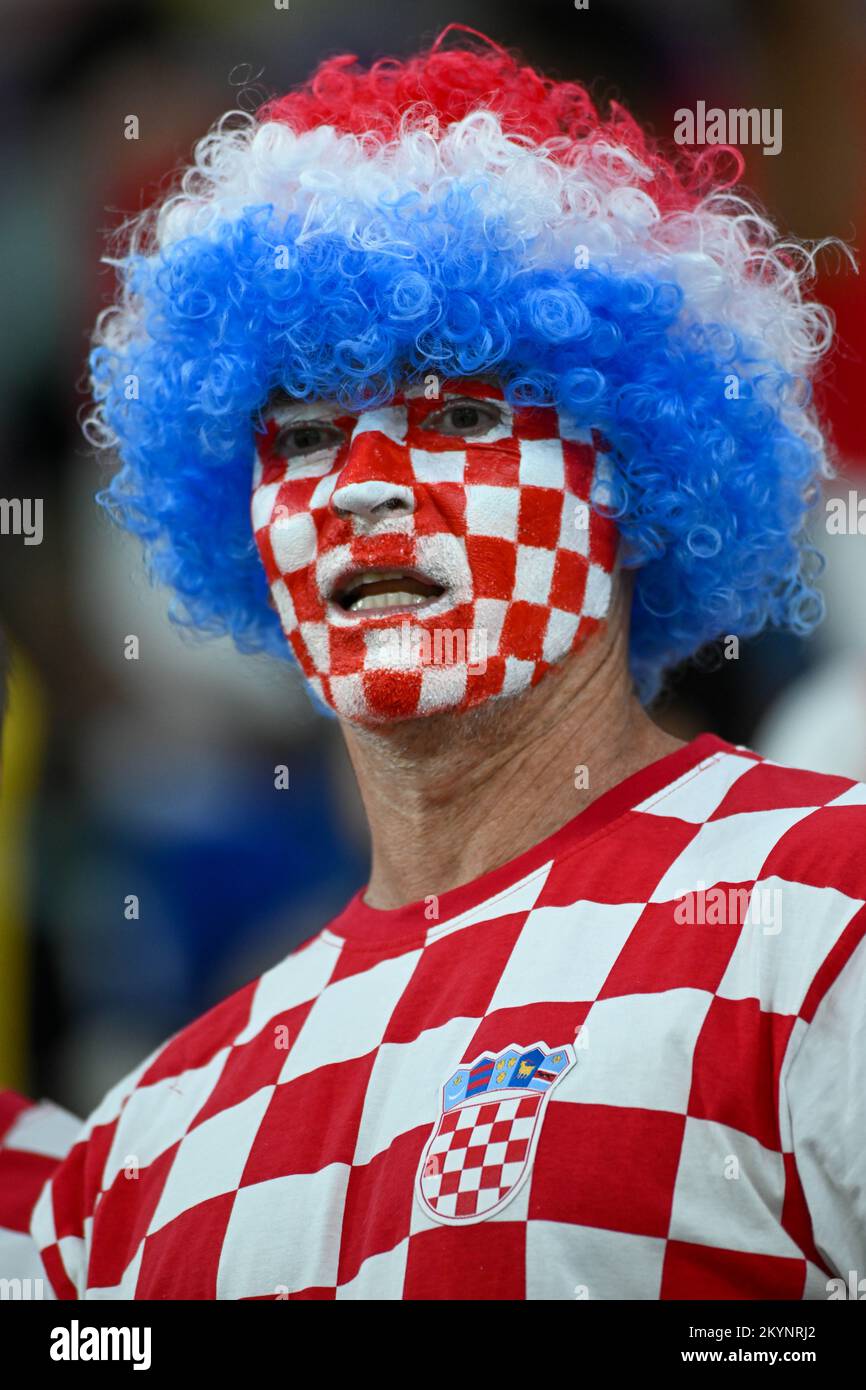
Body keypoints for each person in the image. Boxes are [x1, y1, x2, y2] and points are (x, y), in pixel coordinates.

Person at [20, 28, 866, 1299]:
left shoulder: (825, 910)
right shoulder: (150, 1138)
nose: (362, 491)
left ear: (630, 481)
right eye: (303, 433)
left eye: (463, 415)